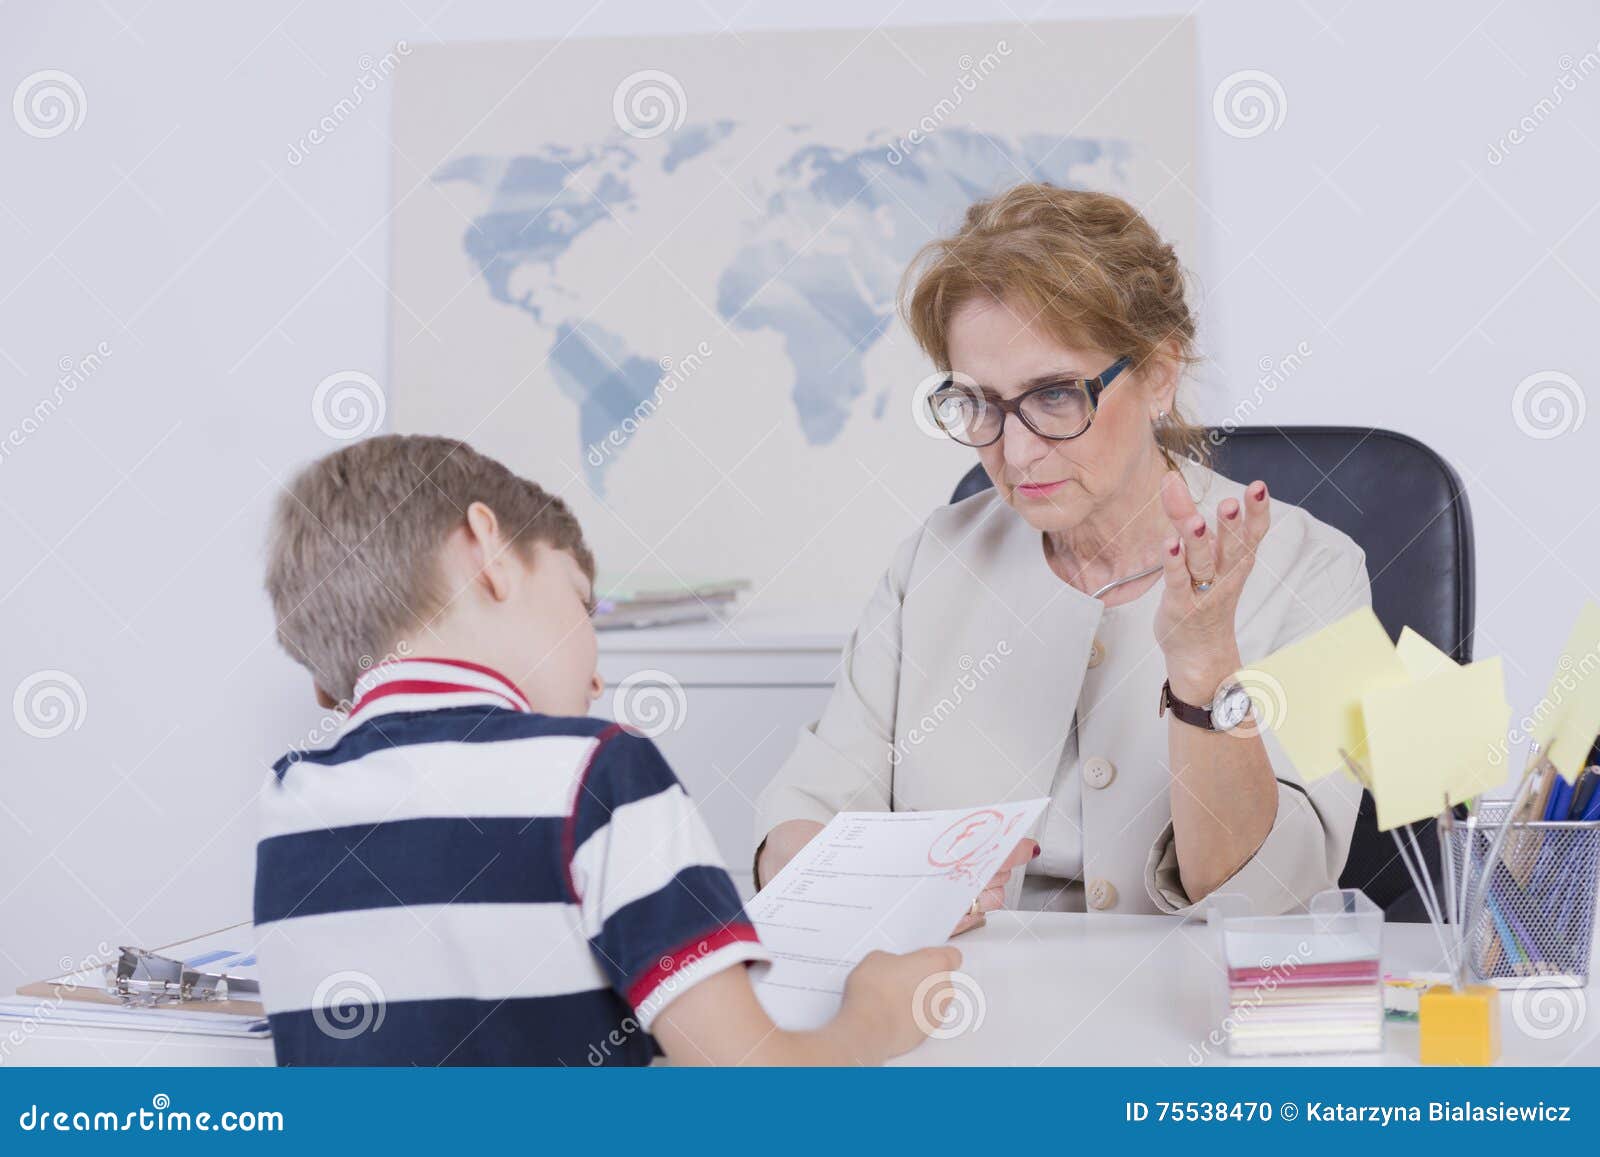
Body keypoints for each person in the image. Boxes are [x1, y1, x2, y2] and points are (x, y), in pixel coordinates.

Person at [755, 183, 1368, 922]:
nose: (1014, 452)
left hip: (1189, 990)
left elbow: (1271, 893)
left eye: (1054, 395)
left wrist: (1204, 666)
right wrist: (865, 890)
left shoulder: (1315, 569)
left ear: (1159, 373)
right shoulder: (934, 562)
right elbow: (802, 817)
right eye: (979, 403)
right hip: (958, 986)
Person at [254, 434, 957, 1065]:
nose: (595, 678)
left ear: (324, 681)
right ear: (488, 550)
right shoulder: (598, 772)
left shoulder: (289, 803)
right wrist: (878, 1016)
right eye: (581, 603)